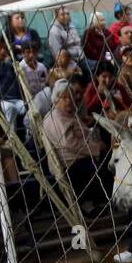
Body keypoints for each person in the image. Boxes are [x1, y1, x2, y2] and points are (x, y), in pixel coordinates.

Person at [43, 78, 108, 208]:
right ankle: (96, 202)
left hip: (79, 159)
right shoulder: (57, 118)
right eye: (64, 98)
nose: (69, 101)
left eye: (71, 97)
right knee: (109, 162)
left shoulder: (65, 114)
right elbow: (70, 144)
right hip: (71, 165)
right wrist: (97, 147)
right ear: (56, 99)